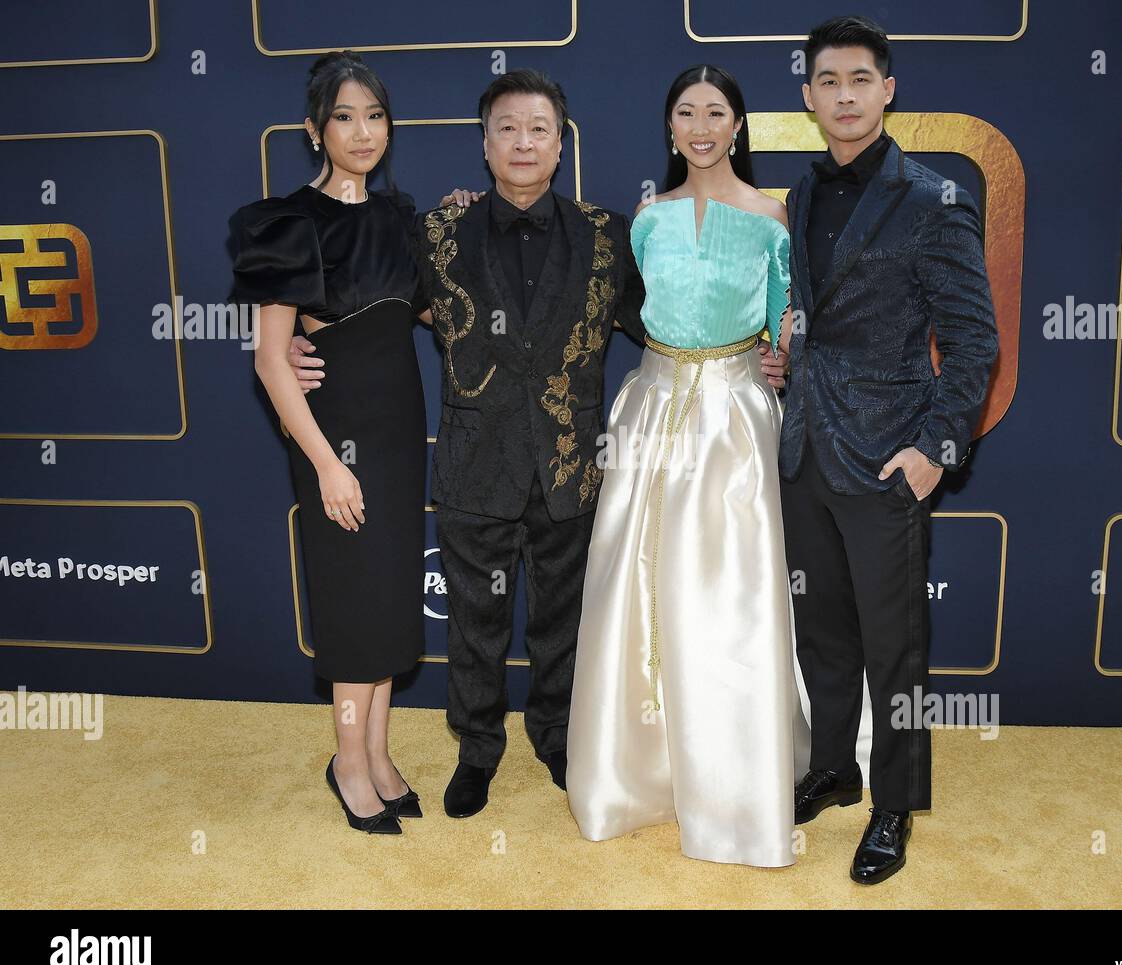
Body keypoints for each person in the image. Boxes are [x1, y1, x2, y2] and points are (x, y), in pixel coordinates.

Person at [304, 69, 652, 818]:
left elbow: (664, 327)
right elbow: (363, 298)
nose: (523, 142)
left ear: (560, 146)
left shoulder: (608, 235)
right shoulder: (433, 233)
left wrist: (749, 351)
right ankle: (478, 748)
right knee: (474, 622)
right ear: (484, 144)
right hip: (472, 466)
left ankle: (557, 736)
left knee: (565, 618)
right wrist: (293, 343)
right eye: (507, 128)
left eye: (539, 130)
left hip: (570, 465)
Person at [781, 16, 999, 883]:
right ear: (808, 96)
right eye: (828, 81)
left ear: (888, 88)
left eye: (860, 79)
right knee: (823, 634)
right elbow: (818, 319)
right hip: (803, 451)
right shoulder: (799, 197)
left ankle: (895, 803)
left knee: (894, 646)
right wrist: (787, 360)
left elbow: (974, 343)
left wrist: (934, 450)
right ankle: (833, 768)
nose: (844, 95)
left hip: (887, 460)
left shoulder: (932, 197)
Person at [565, 65, 797, 868]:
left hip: (733, 415)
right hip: (649, 408)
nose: (701, 125)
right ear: (670, 127)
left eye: (717, 112)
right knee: (632, 587)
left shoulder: (773, 218)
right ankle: (635, 774)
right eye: (687, 112)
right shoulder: (646, 220)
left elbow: (784, 325)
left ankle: (736, 785)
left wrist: (780, 361)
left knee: (728, 593)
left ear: (739, 126)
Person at [231, 51, 428, 834]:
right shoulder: (288, 221)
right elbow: (271, 357)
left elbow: (425, 311)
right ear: (316, 129)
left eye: (375, 115)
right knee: (352, 605)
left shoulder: (396, 217)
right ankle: (348, 761)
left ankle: (377, 754)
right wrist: (322, 463)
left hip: (398, 426)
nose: (362, 131)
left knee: (382, 598)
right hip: (335, 434)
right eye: (344, 116)